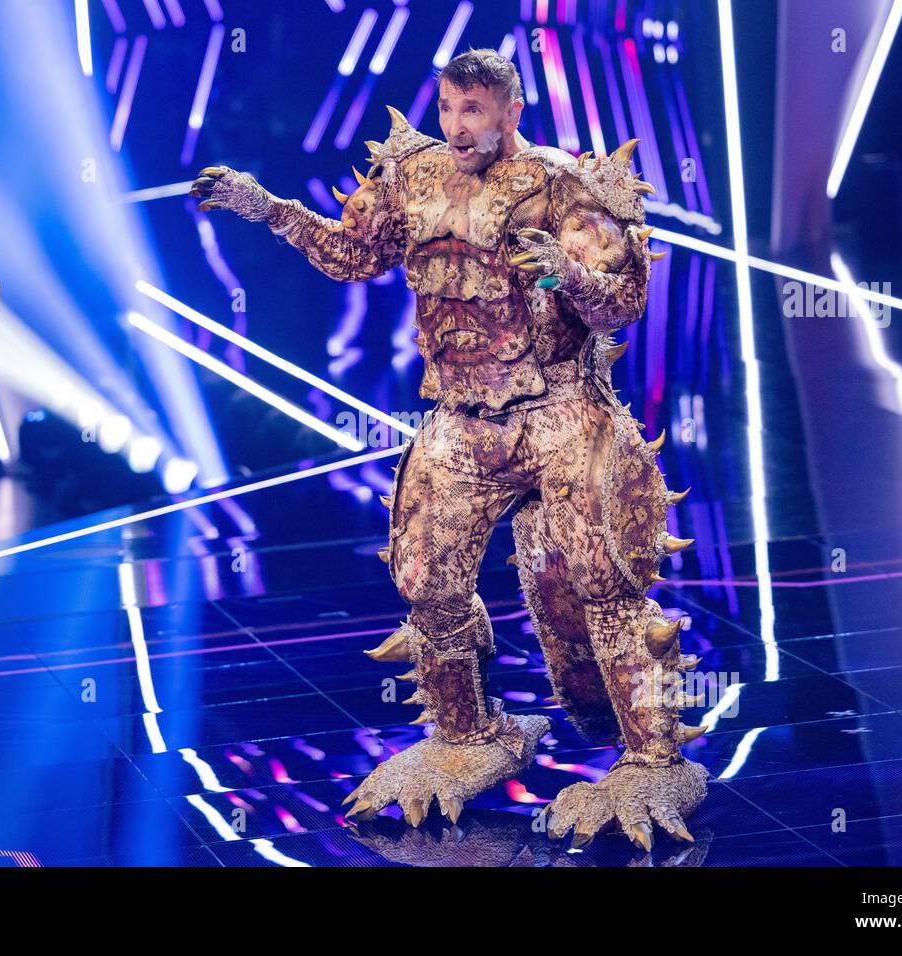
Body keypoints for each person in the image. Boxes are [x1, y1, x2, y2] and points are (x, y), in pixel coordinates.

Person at [191, 49, 706, 850]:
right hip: (462, 418)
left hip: (561, 411)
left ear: (509, 113)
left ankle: (651, 757)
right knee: (425, 579)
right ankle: (469, 736)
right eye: (450, 108)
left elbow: (623, 303)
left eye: (476, 110)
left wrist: (566, 270)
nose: (459, 125)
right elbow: (350, 256)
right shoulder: (412, 178)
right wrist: (266, 209)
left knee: (602, 584)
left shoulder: (561, 184)